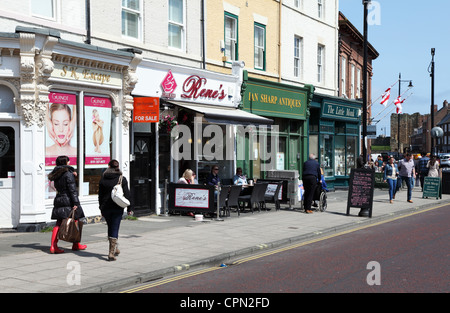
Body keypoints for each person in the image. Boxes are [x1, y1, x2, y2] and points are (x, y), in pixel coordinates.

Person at [47, 155, 86, 254]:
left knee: (59, 223)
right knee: (75, 220)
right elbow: (72, 190)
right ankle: (76, 244)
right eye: (68, 161)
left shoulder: (57, 173)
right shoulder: (68, 174)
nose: (69, 163)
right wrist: (76, 202)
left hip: (59, 198)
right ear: (66, 162)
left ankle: (53, 246)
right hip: (68, 199)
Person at [98, 159, 132, 261]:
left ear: (108, 166)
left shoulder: (103, 179)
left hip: (106, 207)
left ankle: (115, 247)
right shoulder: (121, 179)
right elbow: (127, 194)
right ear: (118, 167)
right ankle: (111, 253)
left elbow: (100, 195)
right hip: (117, 207)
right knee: (115, 227)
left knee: (111, 227)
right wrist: (130, 208)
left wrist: (101, 208)